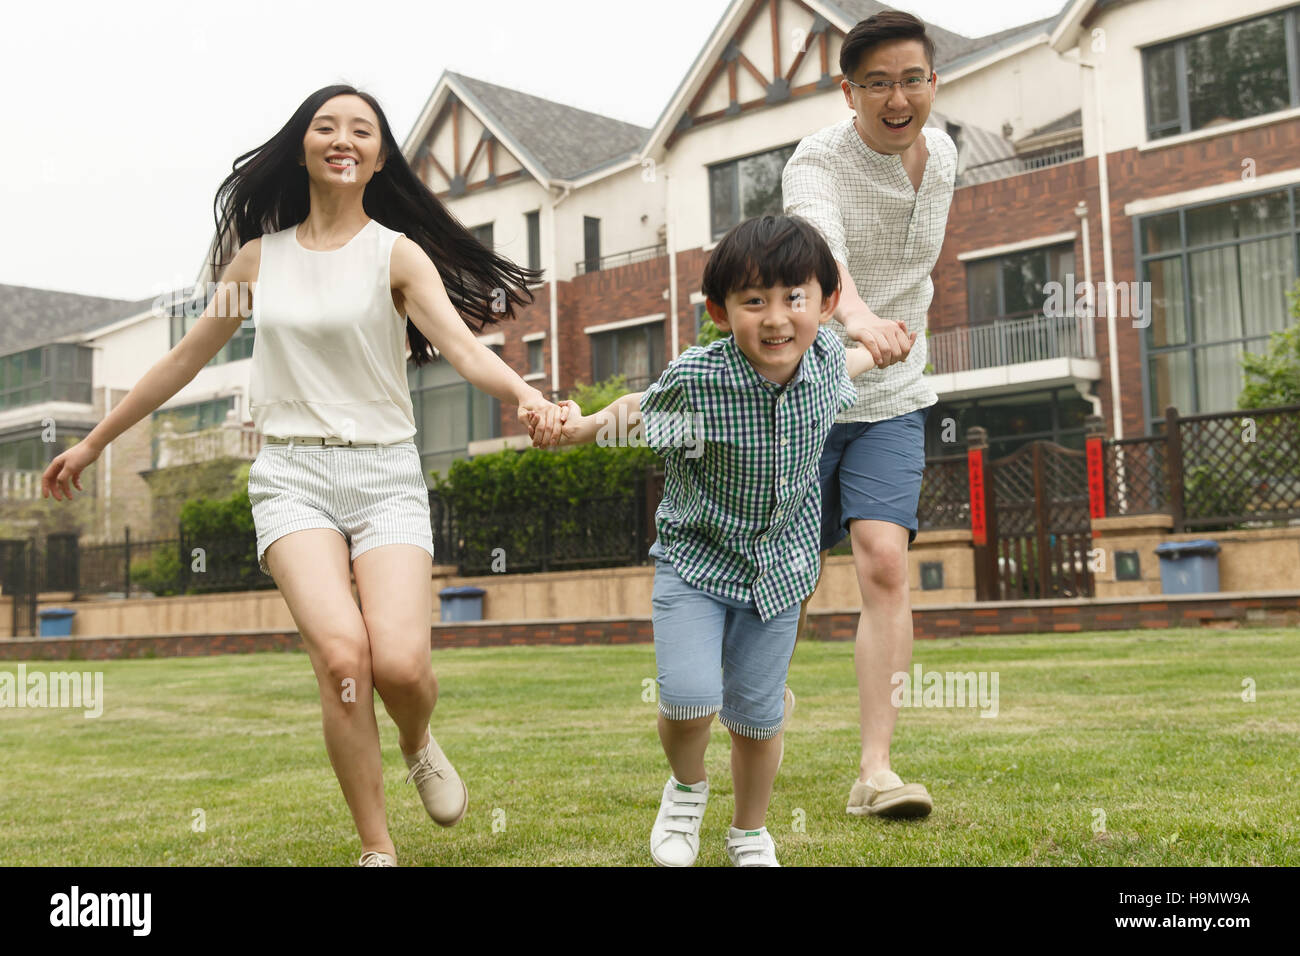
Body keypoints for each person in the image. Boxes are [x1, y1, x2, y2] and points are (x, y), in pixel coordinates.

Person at [41, 85, 568, 867]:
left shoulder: (396, 253)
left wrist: (528, 397)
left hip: (386, 474)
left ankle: (418, 740)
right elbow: (184, 361)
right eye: (326, 127)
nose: (342, 139)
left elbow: (462, 349)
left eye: (362, 130)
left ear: (380, 155)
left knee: (399, 663)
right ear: (303, 147)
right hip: (291, 477)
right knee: (343, 659)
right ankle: (377, 847)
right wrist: (92, 443)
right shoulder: (259, 260)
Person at [528, 215, 876, 866]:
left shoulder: (827, 359)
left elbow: (853, 359)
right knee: (690, 700)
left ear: (826, 304)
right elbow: (636, 410)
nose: (776, 318)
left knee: (757, 716)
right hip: (696, 562)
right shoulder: (701, 379)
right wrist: (579, 428)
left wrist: (883, 347)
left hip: (778, 571)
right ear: (720, 312)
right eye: (754, 301)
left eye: (793, 298)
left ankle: (749, 832)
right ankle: (687, 788)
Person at [781, 10, 957, 818]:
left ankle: (876, 772)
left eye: (911, 79)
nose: (898, 98)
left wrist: (891, 336)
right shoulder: (816, 159)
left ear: (932, 82)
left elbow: (912, 273)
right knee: (786, 575)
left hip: (893, 393)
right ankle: (759, 690)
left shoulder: (946, 155)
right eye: (878, 83)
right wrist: (856, 319)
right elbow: (825, 257)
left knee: (884, 560)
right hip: (808, 386)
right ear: (849, 92)